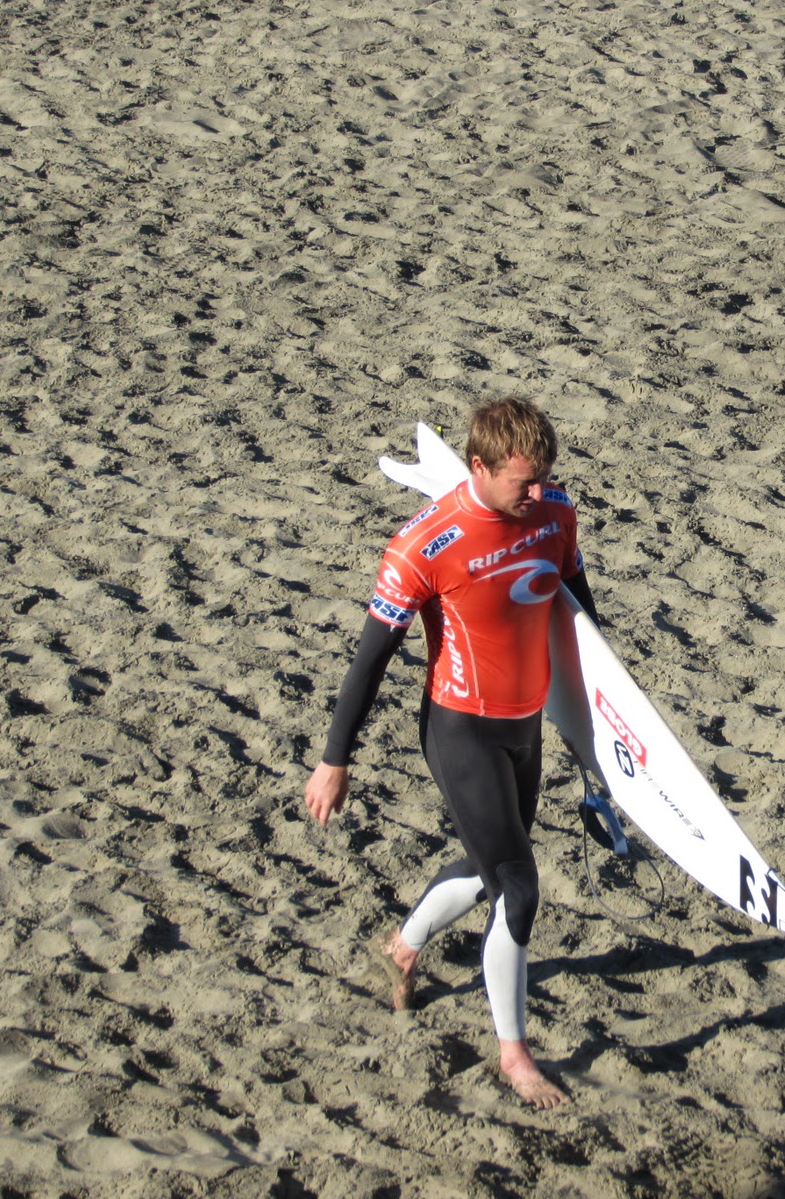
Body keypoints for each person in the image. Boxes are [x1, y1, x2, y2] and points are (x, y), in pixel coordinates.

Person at [303, 397, 598, 1110]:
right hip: (459, 730)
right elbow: (369, 662)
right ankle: (515, 1055)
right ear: (478, 467)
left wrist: (595, 731)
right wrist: (335, 759)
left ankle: (403, 949)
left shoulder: (555, 515)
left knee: (487, 865)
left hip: (525, 723)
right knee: (519, 888)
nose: (538, 495)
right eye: (522, 483)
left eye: (544, 479)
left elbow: (582, 619)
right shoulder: (425, 546)